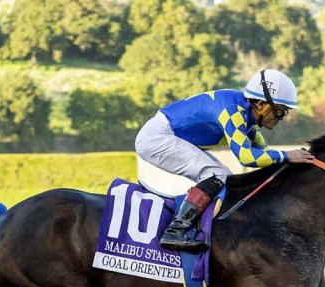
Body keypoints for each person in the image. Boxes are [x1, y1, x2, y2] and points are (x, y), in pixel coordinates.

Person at [135, 68, 315, 253]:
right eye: (280, 112)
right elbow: (247, 157)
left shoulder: (247, 114)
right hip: (157, 137)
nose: (281, 118)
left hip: (166, 134)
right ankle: (175, 231)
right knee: (217, 174)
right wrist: (287, 156)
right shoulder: (233, 112)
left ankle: (204, 230)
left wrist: (289, 163)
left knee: (226, 178)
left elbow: (262, 152)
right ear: (262, 105)